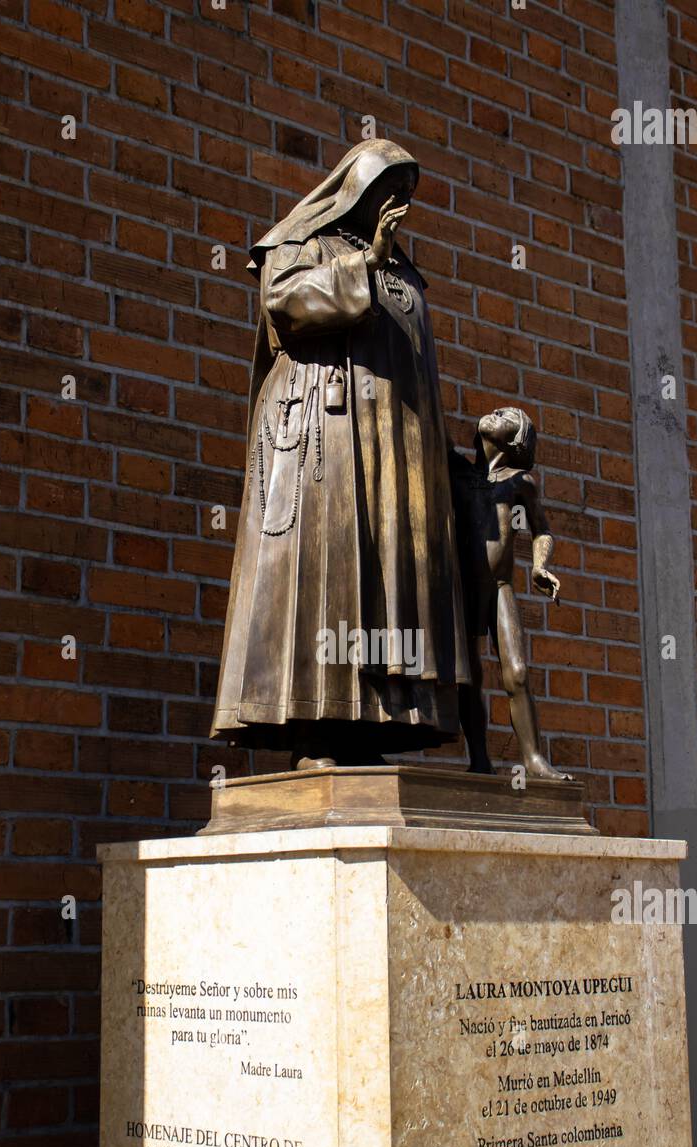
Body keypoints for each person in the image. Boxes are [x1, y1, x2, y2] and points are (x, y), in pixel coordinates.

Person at [210, 139, 470, 770]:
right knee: (326, 573)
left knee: (384, 580)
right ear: (353, 187)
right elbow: (285, 305)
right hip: (326, 440)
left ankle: (370, 723)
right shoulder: (300, 245)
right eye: (387, 188)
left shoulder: (406, 275)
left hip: (394, 453)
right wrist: (366, 266)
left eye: (404, 194)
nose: (397, 205)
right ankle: (315, 728)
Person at [448, 406, 572, 780]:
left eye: (504, 415)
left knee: (516, 672)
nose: (492, 414)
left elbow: (542, 530)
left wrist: (540, 565)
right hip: (463, 589)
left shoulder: (521, 482)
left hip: (501, 587)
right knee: (467, 676)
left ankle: (533, 759)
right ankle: (480, 759)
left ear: (517, 438)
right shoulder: (458, 472)